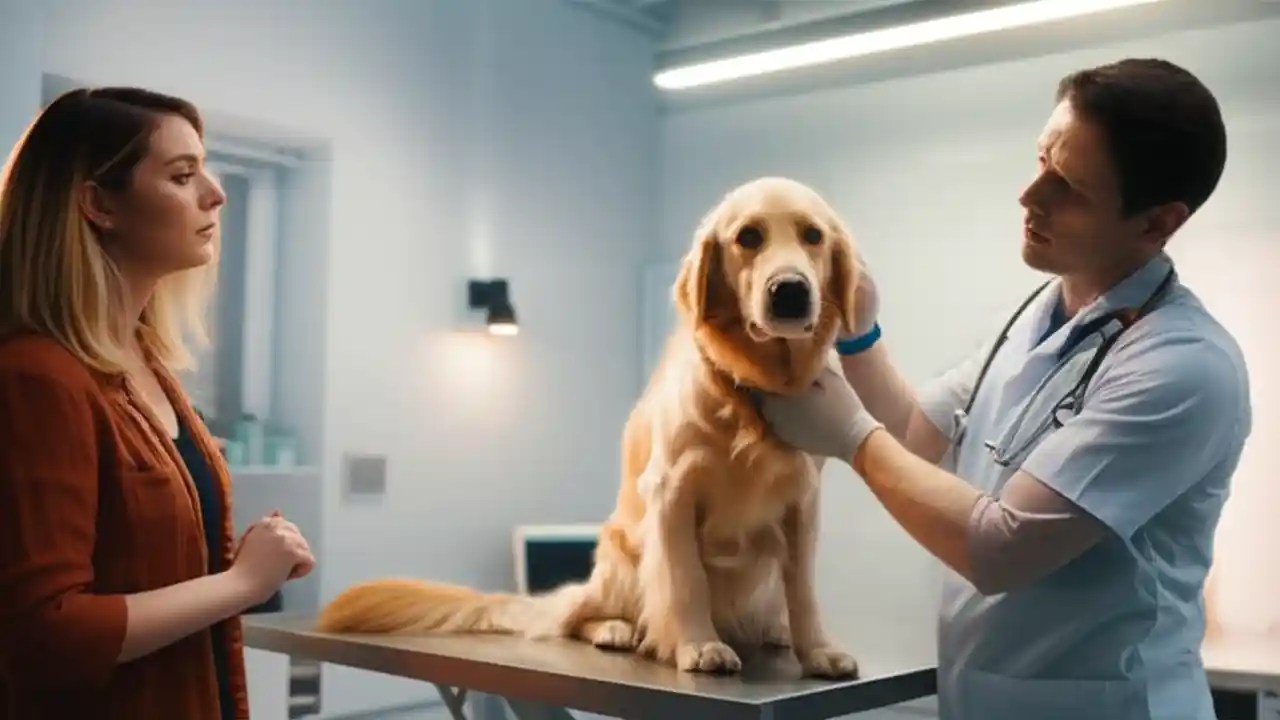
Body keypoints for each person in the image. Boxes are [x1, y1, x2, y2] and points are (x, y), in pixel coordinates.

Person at [756, 58, 1252, 719]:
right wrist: (859, 337)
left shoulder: (1183, 366)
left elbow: (1000, 549)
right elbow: (915, 436)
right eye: (1041, 158)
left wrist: (850, 438)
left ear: (1158, 222)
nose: (1030, 195)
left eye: (1069, 186)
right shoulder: (1032, 318)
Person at [0, 87, 316, 720]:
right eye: (182, 174)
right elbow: (47, 630)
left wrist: (250, 566)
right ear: (97, 204)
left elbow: (142, 569)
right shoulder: (37, 377)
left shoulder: (149, 368)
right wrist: (240, 583)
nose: (216, 194)